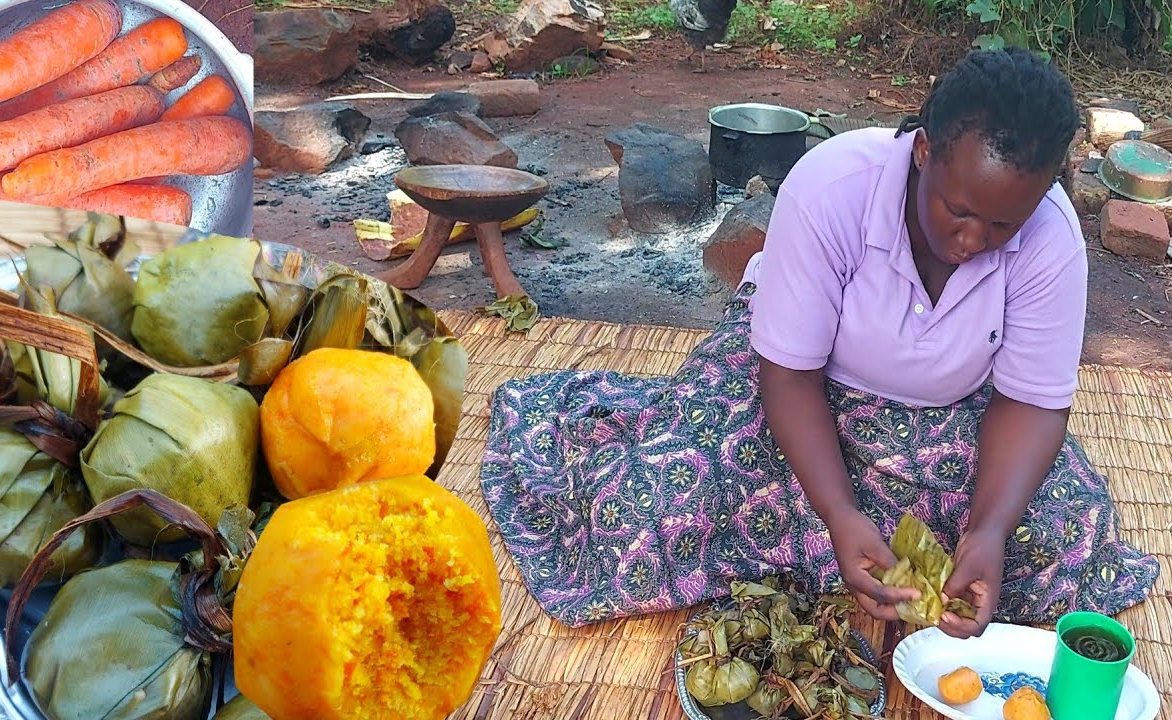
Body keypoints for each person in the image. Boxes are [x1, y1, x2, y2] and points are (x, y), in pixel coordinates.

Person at [478, 47, 1159, 635]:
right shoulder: (832, 187)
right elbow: (788, 375)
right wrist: (837, 512)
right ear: (924, 152)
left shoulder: (1051, 238)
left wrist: (988, 530)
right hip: (796, 384)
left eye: (1004, 225)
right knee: (647, 511)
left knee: (1065, 534)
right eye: (959, 211)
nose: (975, 240)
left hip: (948, 417)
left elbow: (1031, 405)